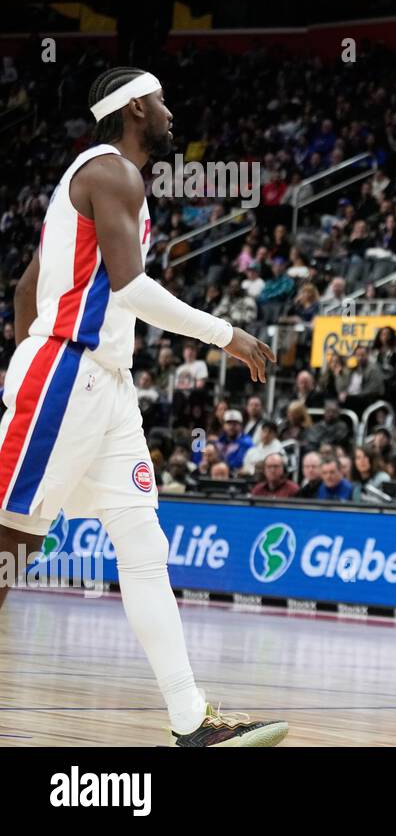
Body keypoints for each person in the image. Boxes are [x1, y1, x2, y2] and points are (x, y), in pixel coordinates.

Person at [0, 66, 285, 745]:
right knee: (10, 545)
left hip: (107, 385)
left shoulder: (100, 184)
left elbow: (21, 293)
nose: (169, 114)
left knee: (143, 544)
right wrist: (227, 333)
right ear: (133, 108)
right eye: (160, 101)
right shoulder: (110, 173)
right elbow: (128, 289)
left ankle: (190, 718)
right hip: (68, 374)